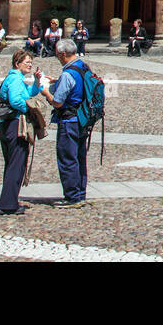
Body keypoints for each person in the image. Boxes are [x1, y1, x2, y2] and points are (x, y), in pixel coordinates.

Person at [39, 39, 91, 208]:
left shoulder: (68, 74)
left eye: (56, 53)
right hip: (83, 119)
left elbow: (58, 102)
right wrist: (57, 82)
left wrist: (45, 91)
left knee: (68, 159)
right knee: (79, 157)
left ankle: (72, 197)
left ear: (62, 54)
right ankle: (80, 193)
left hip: (69, 121)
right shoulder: (83, 67)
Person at [0, 48, 44, 215]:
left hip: (8, 125)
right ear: (17, 63)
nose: (30, 65)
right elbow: (16, 100)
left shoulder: (17, 79)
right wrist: (29, 109)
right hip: (15, 126)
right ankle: (8, 205)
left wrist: (36, 82)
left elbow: (28, 93)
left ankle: (9, 200)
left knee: (13, 164)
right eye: (27, 62)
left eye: (31, 62)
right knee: (16, 165)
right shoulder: (15, 79)